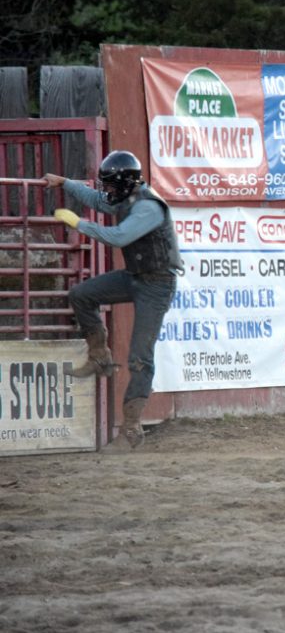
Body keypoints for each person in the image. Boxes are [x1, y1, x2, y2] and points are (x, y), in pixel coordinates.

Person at [43, 150, 183, 448]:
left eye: (109, 184)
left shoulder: (149, 208)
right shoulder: (126, 195)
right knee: (81, 295)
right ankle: (99, 356)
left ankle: (131, 428)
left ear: (124, 183)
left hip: (157, 284)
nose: (106, 190)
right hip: (136, 276)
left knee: (139, 357)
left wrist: (79, 224)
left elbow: (119, 236)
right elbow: (97, 200)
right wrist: (65, 183)